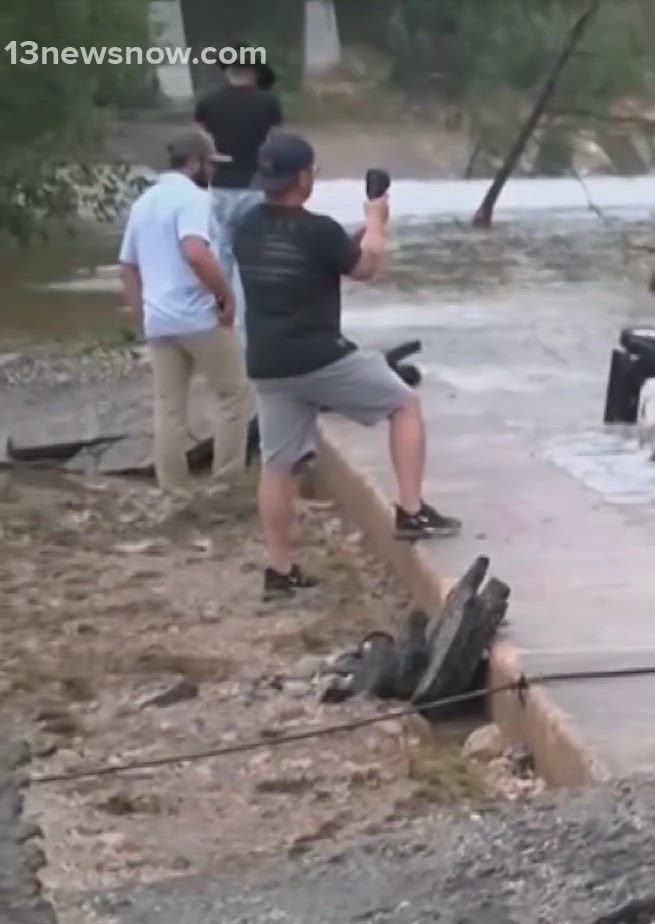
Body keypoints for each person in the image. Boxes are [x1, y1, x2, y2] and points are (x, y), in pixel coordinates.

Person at [235, 130, 460, 601]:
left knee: (277, 467)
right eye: (312, 171)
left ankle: (280, 571)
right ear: (302, 177)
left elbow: (316, 257)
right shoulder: (317, 230)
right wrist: (376, 222)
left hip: (266, 361)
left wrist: (356, 239)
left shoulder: (247, 226)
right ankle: (412, 510)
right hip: (318, 355)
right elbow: (365, 268)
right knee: (404, 404)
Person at [116, 130, 254, 491]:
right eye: (210, 164)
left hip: (160, 320)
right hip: (199, 317)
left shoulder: (144, 202)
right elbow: (195, 251)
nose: (214, 172)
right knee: (234, 395)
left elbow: (127, 265)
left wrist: (140, 310)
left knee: (169, 407)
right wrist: (225, 295)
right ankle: (226, 481)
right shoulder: (194, 199)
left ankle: (173, 487)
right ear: (194, 162)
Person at [194, 45, 282, 344]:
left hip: (218, 188)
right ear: (255, 72)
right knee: (254, 258)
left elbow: (201, 145)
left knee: (222, 257)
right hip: (256, 187)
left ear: (227, 70)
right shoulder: (268, 103)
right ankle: (251, 332)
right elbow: (273, 146)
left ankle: (219, 328)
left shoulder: (207, 104)